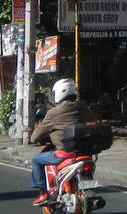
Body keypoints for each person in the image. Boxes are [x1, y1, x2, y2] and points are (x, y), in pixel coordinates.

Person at [29, 77, 97, 205]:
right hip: (85, 152)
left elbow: (34, 138)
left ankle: (43, 193)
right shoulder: (83, 107)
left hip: (64, 154)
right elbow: (93, 122)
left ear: (59, 93)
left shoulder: (53, 113)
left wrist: (35, 136)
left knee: (36, 160)